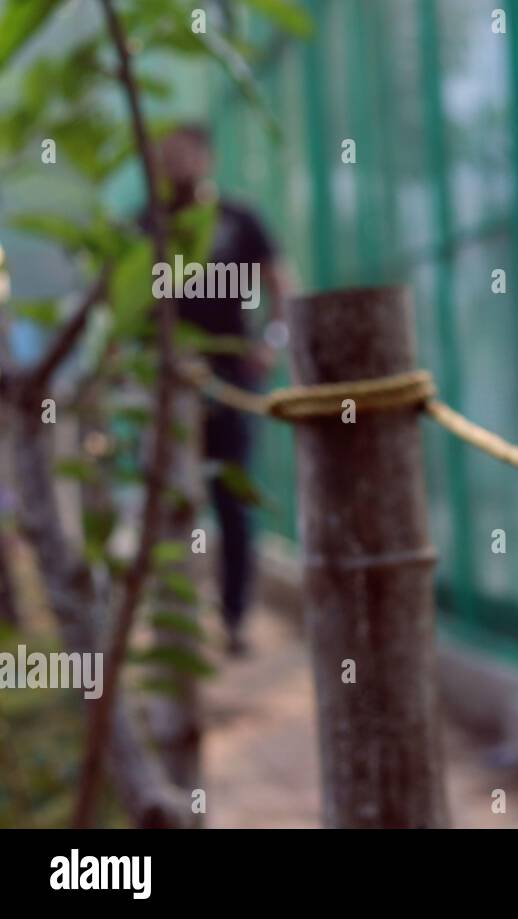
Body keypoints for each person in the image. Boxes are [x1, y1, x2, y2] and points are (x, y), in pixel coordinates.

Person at [149, 124, 289, 656]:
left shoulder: (240, 220)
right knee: (169, 501)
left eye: (183, 153)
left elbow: (282, 288)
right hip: (167, 385)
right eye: (165, 155)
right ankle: (174, 628)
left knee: (232, 500)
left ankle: (233, 617)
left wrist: (271, 342)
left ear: (206, 157)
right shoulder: (148, 227)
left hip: (230, 380)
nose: (174, 163)